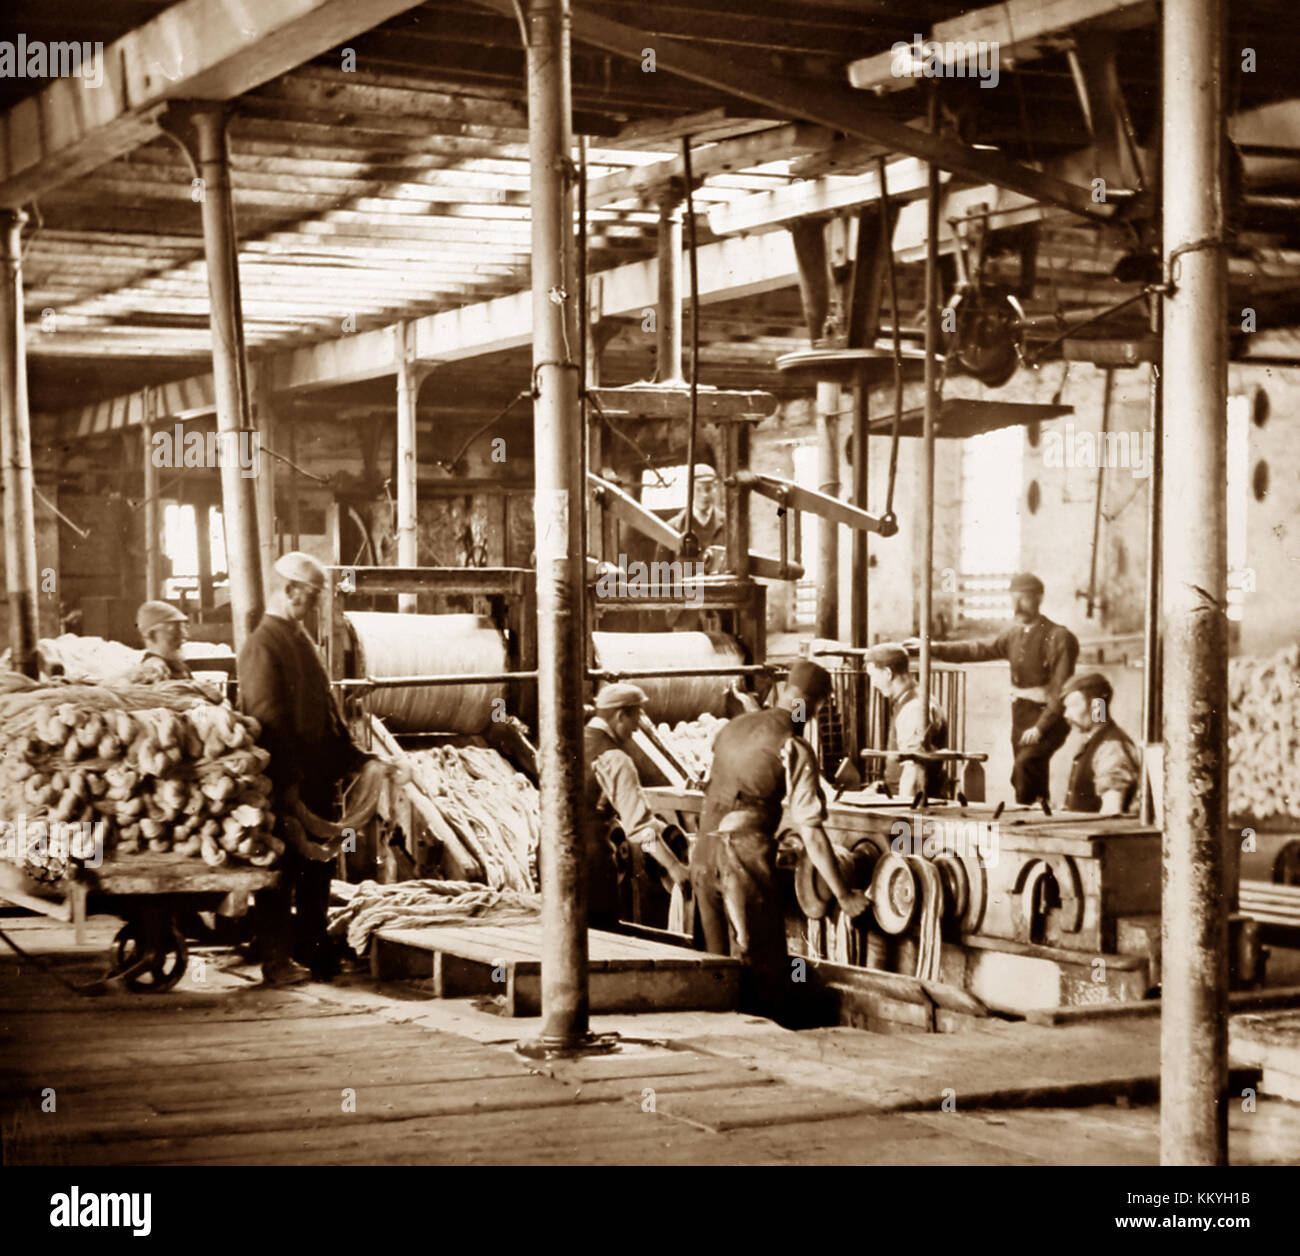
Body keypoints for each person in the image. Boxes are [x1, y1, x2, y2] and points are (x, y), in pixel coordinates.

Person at [691, 659, 871, 1019]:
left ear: (785, 691)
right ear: (817, 705)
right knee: (762, 968)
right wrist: (843, 895)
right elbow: (812, 831)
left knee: (716, 969)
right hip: (741, 861)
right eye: (820, 708)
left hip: (702, 853)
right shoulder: (795, 746)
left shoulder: (733, 728)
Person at [239, 551, 370, 984]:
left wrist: (359, 759)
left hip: (314, 779)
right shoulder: (263, 643)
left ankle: (312, 949)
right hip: (286, 784)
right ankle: (276, 961)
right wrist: (288, 787)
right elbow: (267, 721)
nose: (315, 606)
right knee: (279, 874)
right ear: (291, 590)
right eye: (312, 597)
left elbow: (326, 711)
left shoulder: (298, 637)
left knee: (316, 871)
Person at [917, 572, 1078, 806]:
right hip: (1021, 715)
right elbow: (977, 650)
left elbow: (1060, 690)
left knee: (1025, 766)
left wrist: (1042, 727)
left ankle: (1026, 819)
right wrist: (933, 648)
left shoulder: (1059, 637)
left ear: (1039, 598)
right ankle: (1038, 816)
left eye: (1023, 598)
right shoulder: (1013, 635)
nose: (1016, 605)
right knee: (1028, 775)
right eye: (1012, 598)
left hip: (1048, 716)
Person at [584, 683, 691, 930]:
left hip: (549, 856)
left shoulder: (565, 744)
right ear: (621, 715)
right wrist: (674, 866)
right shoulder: (616, 759)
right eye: (637, 716)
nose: (637, 727)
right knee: (599, 941)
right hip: (593, 865)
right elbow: (640, 830)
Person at [864, 643, 949, 801]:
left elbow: (913, 770)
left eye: (873, 677)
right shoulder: (913, 699)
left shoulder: (914, 708)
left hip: (912, 802)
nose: (873, 684)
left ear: (888, 673)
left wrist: (903, 813)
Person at [1060, 672, 1141, 815]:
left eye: (1073, 705)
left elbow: (1111, 810)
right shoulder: (1094, 739)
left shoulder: (1112, 746)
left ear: (1096, 705)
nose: (1066, 714)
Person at [128, 601, 193, 683]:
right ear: (152, 635)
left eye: (183, 630)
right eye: (175, 632)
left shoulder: (179, 667)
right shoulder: (153, 670)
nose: (184, 637)